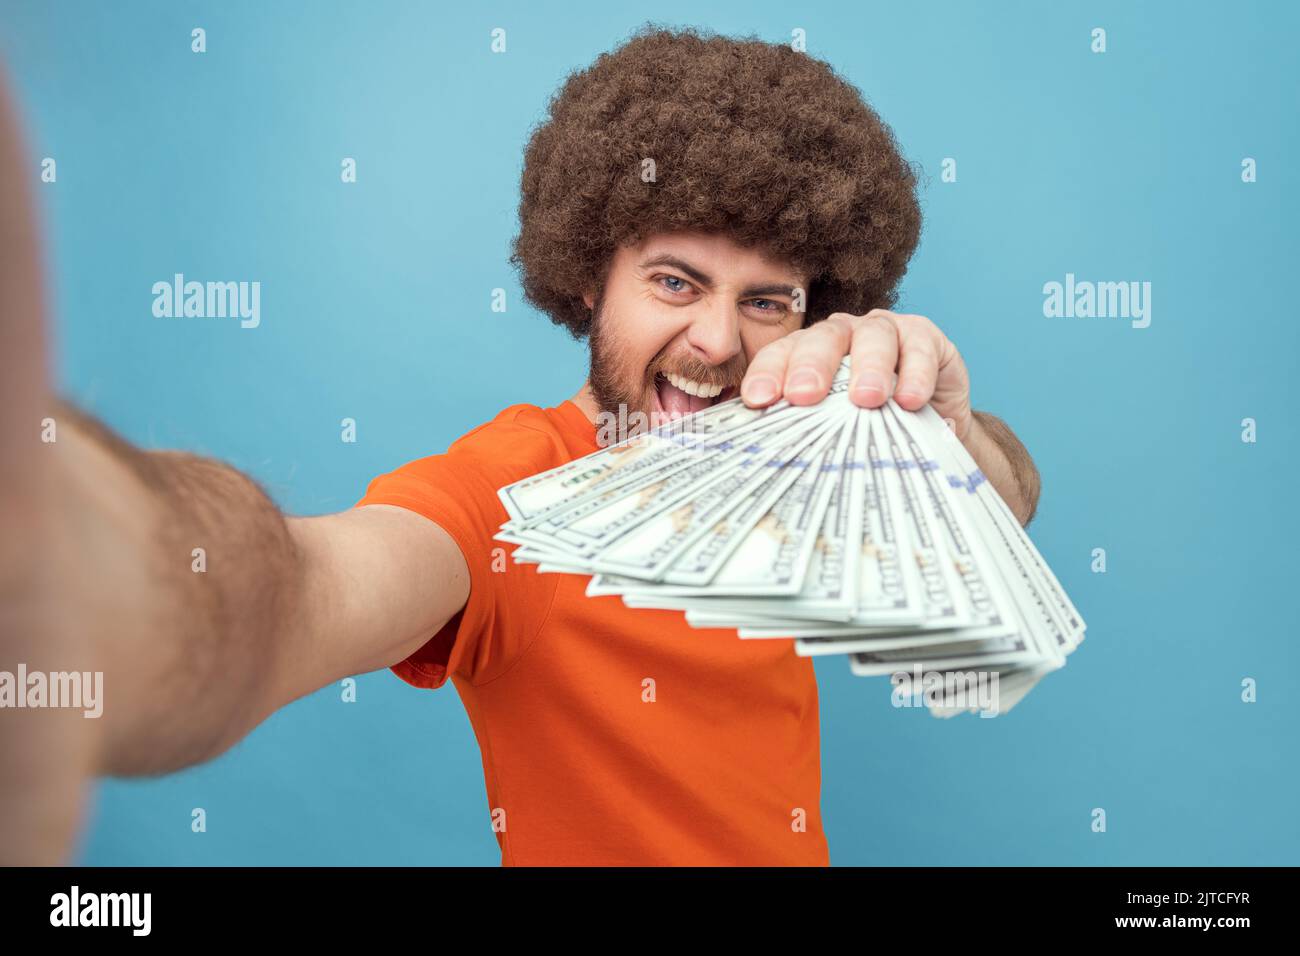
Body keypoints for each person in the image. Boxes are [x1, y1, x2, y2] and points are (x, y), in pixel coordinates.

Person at [0, 27, 1040, 865]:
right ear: (589, 275)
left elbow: (1008, 495)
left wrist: (944, 430)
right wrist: (67, 565)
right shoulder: (516, 499)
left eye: (766, 300)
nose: (720, 341)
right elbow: (299, 588)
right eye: (675, 281)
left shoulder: (794, 450)